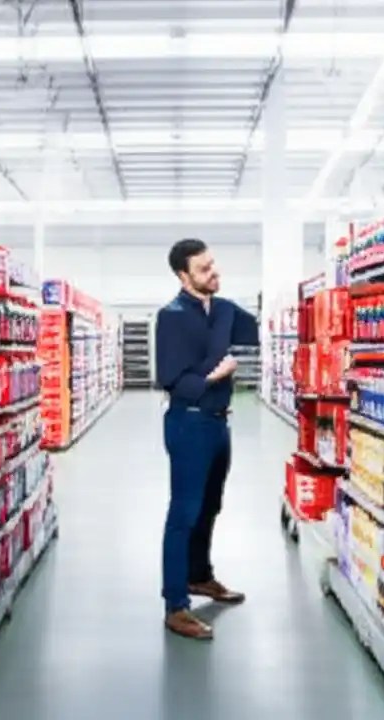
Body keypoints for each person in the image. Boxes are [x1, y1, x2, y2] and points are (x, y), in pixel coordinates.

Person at [153, 238, 259, 640]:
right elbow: (173, 381)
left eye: (213, 264)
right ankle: (175, 605)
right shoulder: (172, 317)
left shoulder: (227, 309)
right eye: (203, 269)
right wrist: (217, 373)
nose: (213, 272)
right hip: (188, 423)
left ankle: (201, 576)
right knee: (183, 513)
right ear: (184, 276)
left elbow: (265, 332)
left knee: (210, 506)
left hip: (218, 424)